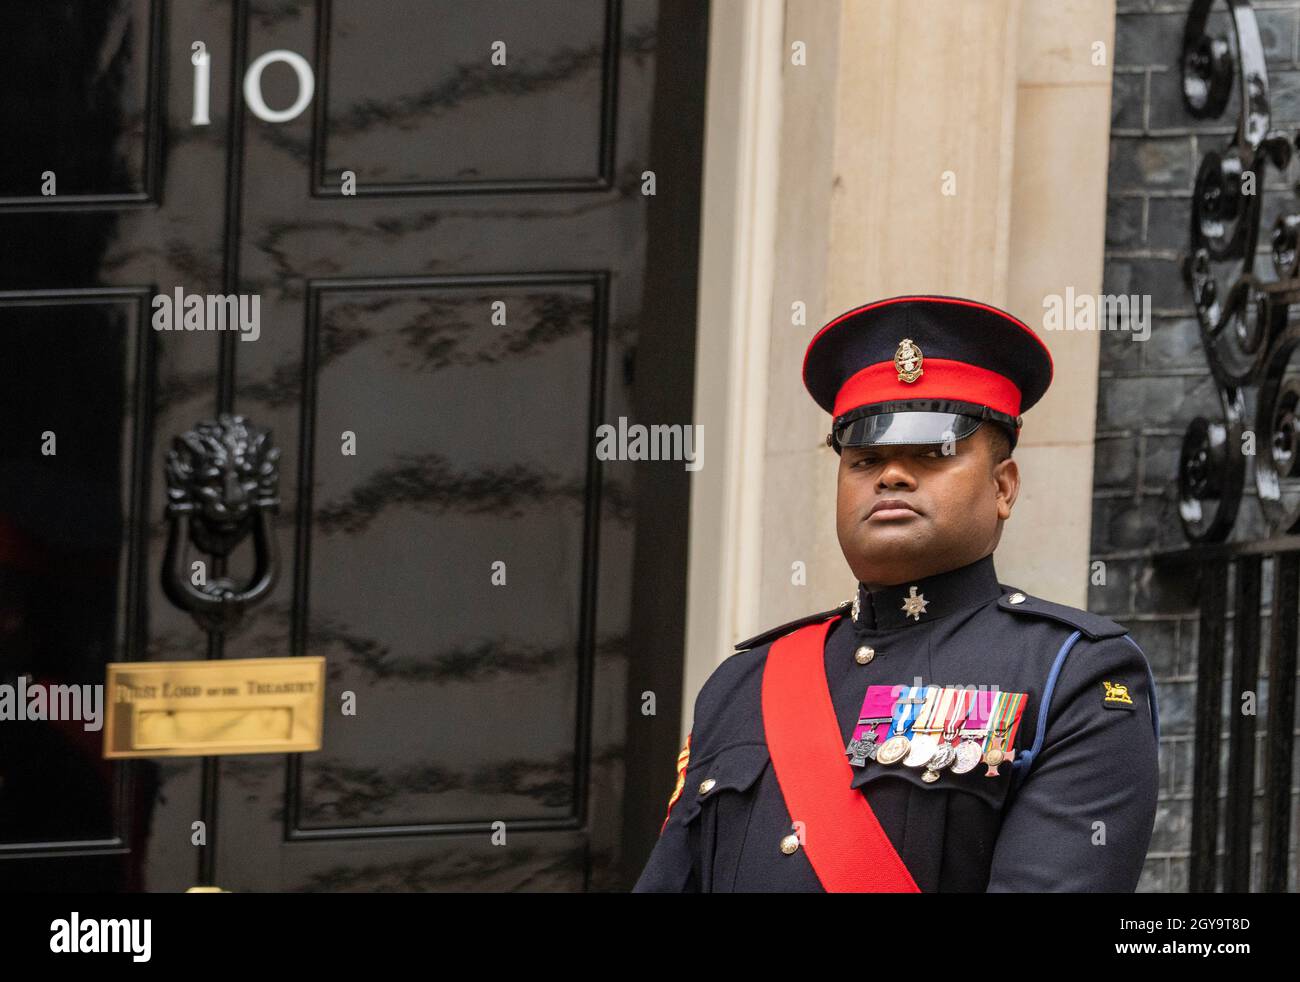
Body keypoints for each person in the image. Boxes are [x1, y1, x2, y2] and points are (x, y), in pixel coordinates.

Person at [632, 294, 1160, 892]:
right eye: (866, 458)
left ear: (1003, 488)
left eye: (933, 454)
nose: (891, 475)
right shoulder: (743, 682)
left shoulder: (1075, 674)